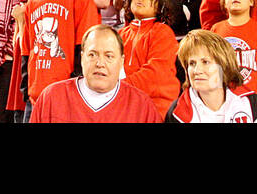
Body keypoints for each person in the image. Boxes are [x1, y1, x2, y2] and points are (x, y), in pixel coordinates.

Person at [21, 0, 101, 111]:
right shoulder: (34, 0)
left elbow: (87, 44)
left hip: (66, 96)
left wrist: (77, 87)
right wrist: (27, 88)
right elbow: (27, 49)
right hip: (35, 98)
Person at [29, 25, 161, 123]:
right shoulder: (52, 97)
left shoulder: (142, 107)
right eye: (92, 55)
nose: (100, 63)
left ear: (121, 62)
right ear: (82, 58)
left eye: (109, 56)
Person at [165, 30, 257, 123]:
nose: (197, 70)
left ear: (224, 66)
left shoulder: (249, 100)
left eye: (205, 62)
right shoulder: (177, 112)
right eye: (192, 63)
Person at [118, 0, 180, 115]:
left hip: (155, 106)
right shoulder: (120, 34)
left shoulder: (162, 32)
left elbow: (155, 74)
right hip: (123, 102)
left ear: (159, 6)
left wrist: (118, 87)